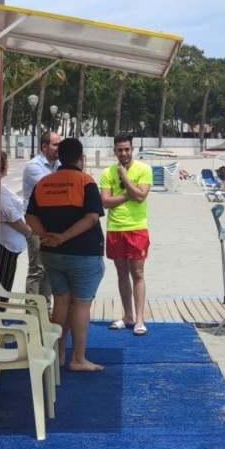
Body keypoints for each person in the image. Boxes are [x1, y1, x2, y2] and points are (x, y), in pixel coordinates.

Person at [25, 138, 105, 372]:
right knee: (81, 304)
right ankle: (78, 358)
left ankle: (58, 355)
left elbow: (30, 217)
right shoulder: (85, 182)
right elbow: (91, 218)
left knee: (60, 300)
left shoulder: (45, 183)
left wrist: (46, 236)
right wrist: (64, 236)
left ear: (59, 158)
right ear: (81, 158)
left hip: (52, 254)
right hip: (83, 254)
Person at [100, 134, 153, 336]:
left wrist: (124, 178)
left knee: (137, 273)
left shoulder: (143, 169)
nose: (123, 153)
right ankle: (128, 315)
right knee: (121, 272)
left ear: (133, 149)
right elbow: (105, 202)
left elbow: (141, 197)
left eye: (127, 149)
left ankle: (139, 319)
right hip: (115, 228)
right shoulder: (107, 172)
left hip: (137, 227)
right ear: (115, 151)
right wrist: (129, 193)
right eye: (120, 149)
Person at [22, 131, 61, 299]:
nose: (59, 148)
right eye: (55, 144)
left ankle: (45, 311)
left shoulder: (59, 165)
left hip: (52, 223)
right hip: (35, 224)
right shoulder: (34, 166)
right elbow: (52, 189)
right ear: (44, 147)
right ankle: (32, 313)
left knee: (49, 269)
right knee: (37, 269)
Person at [0, 152, 31, 291]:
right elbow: (10, 215)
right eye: (6, 163)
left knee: (6, 283)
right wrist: (28, 231)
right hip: (6, 246)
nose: (8, 165)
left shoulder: (1, 187)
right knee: (2, 286)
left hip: (11, 247)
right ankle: (0, 311)